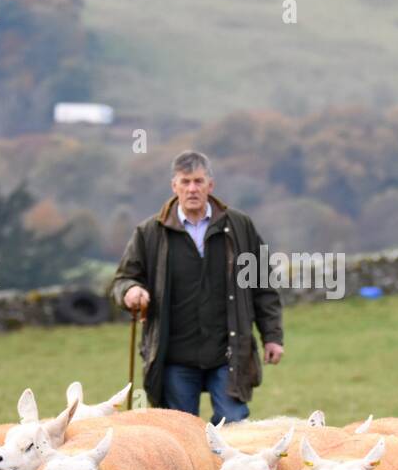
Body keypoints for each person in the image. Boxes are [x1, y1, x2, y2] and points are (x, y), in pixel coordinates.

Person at [111, 150, 283, 424]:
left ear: (210, 186)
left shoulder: (239, 226)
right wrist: (130, 290)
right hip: (174, 356)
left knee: (234, 426)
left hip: (228, 352)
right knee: (181, 432)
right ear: (174, 186)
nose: (192, 188)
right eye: (186, 181)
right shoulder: (150, 232)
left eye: (199, 181)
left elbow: (262, 284)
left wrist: (272, 335)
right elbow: (122, 279)